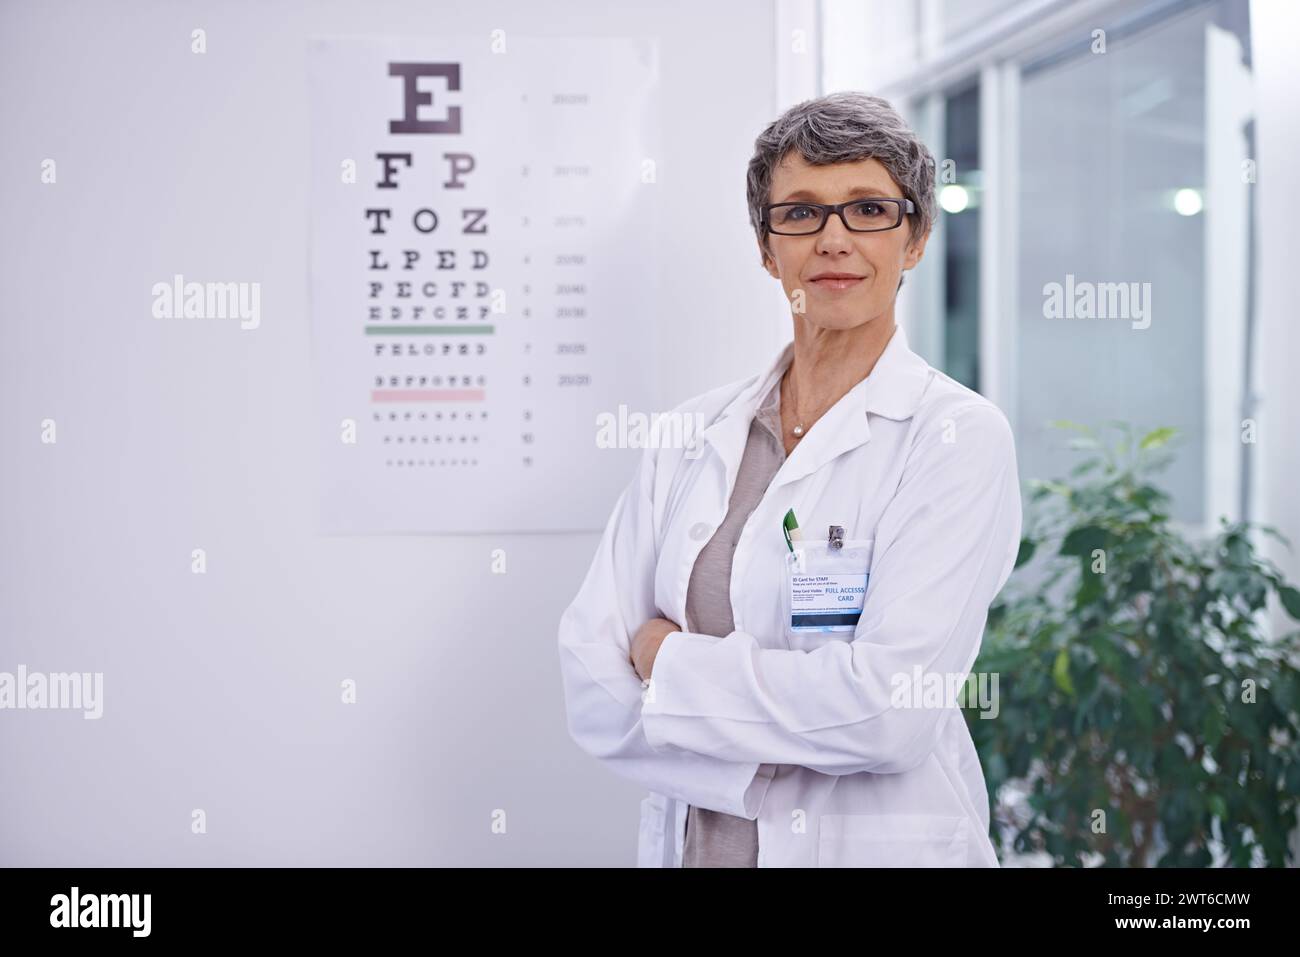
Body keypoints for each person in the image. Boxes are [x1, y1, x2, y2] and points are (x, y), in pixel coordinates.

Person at [557, 91, 1021, 867]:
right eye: (801, 213)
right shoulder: (688, 436)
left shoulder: (957, 437)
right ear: (768, 250)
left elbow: (887, 713)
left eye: (868, 208)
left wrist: (670, 667)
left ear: (915, 240)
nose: (835, 239)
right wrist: (793, 745)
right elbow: (593, 687)